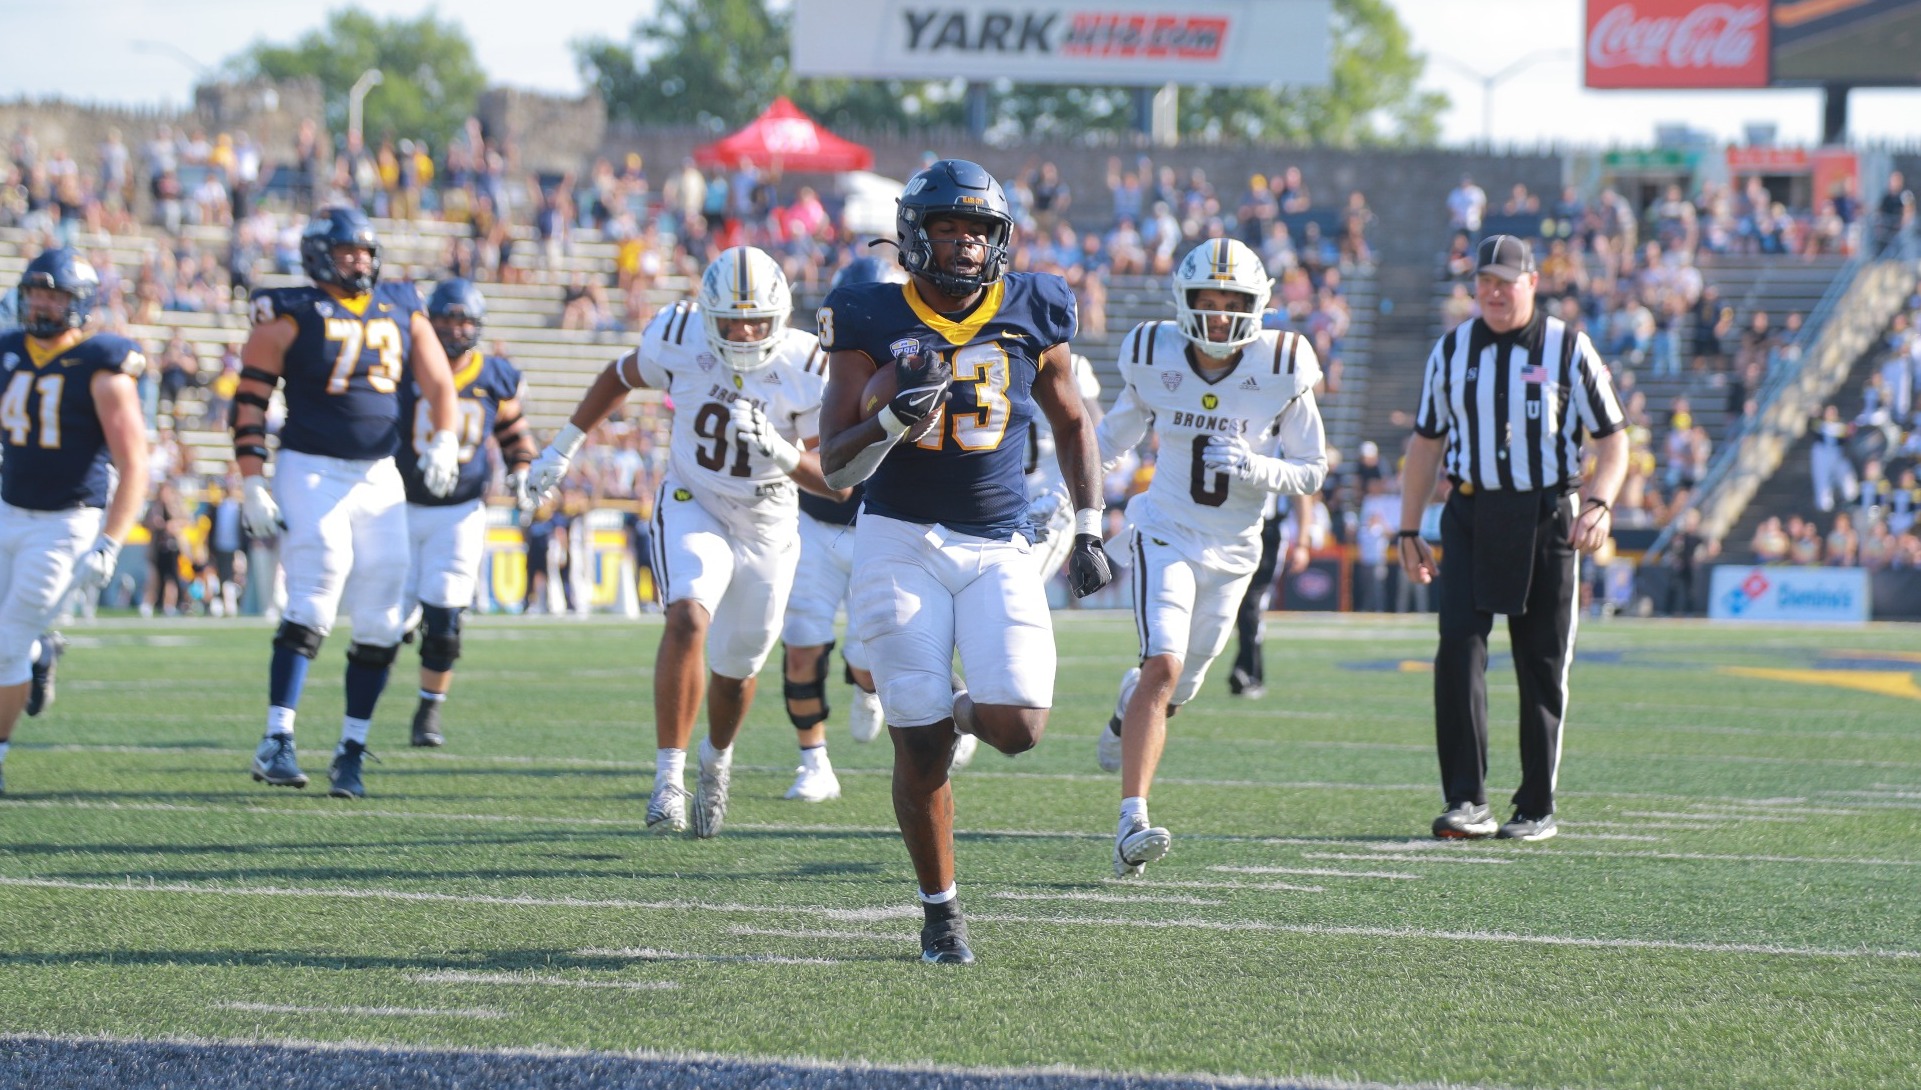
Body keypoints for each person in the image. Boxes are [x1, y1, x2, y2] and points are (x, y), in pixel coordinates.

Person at [815, 159, 1112, 965]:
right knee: (918, 751)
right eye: (948, 228)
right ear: (915, 234)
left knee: (1017, 726)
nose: (965, 245)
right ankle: (940, 913)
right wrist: (887, 425)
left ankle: (945, 705)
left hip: (997, 541)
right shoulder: (867, 311)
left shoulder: (1033, 307)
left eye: (977, 230)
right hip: (899, 538)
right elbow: (835, 466)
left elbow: (1074, 422)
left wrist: (1087, 525)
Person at [522, 245, 842, 838]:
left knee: (737, 669)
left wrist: (781, 451)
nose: (745, 331)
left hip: (770, 522)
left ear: (782, 317)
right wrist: (562, 446)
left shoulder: (807, 364)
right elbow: (619, 375)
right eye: (731, 320)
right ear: (706, 315)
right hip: (695, 501)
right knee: (687, 619)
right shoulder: (679, 336)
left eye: (757, 320)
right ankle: (668, 777)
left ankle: (715, 760)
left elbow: (839, 485)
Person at [1091, 238, 1327, 876]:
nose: (1220, 315)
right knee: (1161, 664)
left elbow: (1311, 471)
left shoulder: (1282, 363)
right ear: (1185, 302)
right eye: (1208, 301)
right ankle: (1129, 822)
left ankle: (1124, 713)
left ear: (1256, 307)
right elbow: (1113, 436)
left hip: (1234, 550)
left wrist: (1256, 467)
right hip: (1163, 529)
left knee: (1181, 684)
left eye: (1233, 303)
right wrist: (1075, 499)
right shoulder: (1152, 352)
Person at [1396, 235, 1627, 843]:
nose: (1495, 292)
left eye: (1507, 280)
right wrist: (1408, 526)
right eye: (1485, 281)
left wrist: (1600, 504)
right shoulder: (1450, 350)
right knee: (1458, 654)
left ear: (1532, 283)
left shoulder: (1569, 347)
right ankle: (1467, 800)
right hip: (1470, 515)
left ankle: (1535, 805)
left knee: (1541, 663)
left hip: (1546, 516)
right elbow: (1426, 443)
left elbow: (1613, 439)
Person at [235, 207, 461, 799]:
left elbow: (439, 381)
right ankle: (276, 738)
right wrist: (251, 479)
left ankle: (352, 747)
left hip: (378, 472)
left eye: (365, 251)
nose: (359, 262)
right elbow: (251, 400)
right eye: (346, 252)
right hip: (311, 468)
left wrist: (445, 435)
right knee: (317, 584)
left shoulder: (401, 304)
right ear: (317, 256)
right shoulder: (288, 313)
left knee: (386, 612)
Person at [0, 249, 149, 793]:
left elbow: (134, 462)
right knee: (10, 639)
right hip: (7, 508)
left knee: (5, 643)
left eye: (54, 295)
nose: (41, 303)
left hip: (65, 523)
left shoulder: (103, 365)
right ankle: (42, 652)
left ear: (78, 304)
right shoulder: (8, 351)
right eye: (36, 292)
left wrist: (112, 540)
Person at [777, 258, 900, 804]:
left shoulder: (916, 363)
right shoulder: (804, 362)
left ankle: (866, 688)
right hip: (813, 523)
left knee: (867, 660)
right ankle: (814, 762)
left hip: (883, 526)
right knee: (802, 644)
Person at [396, 279, 535, 748]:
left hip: (459, 511)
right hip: (396, 504)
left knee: (445, 620)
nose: (456, 330)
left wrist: (520, 469)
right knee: (385, 620)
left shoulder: (493, 374)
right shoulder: (403, 363)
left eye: (464, 321)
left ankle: (428, 713)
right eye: (447, 320)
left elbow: (514, 431)